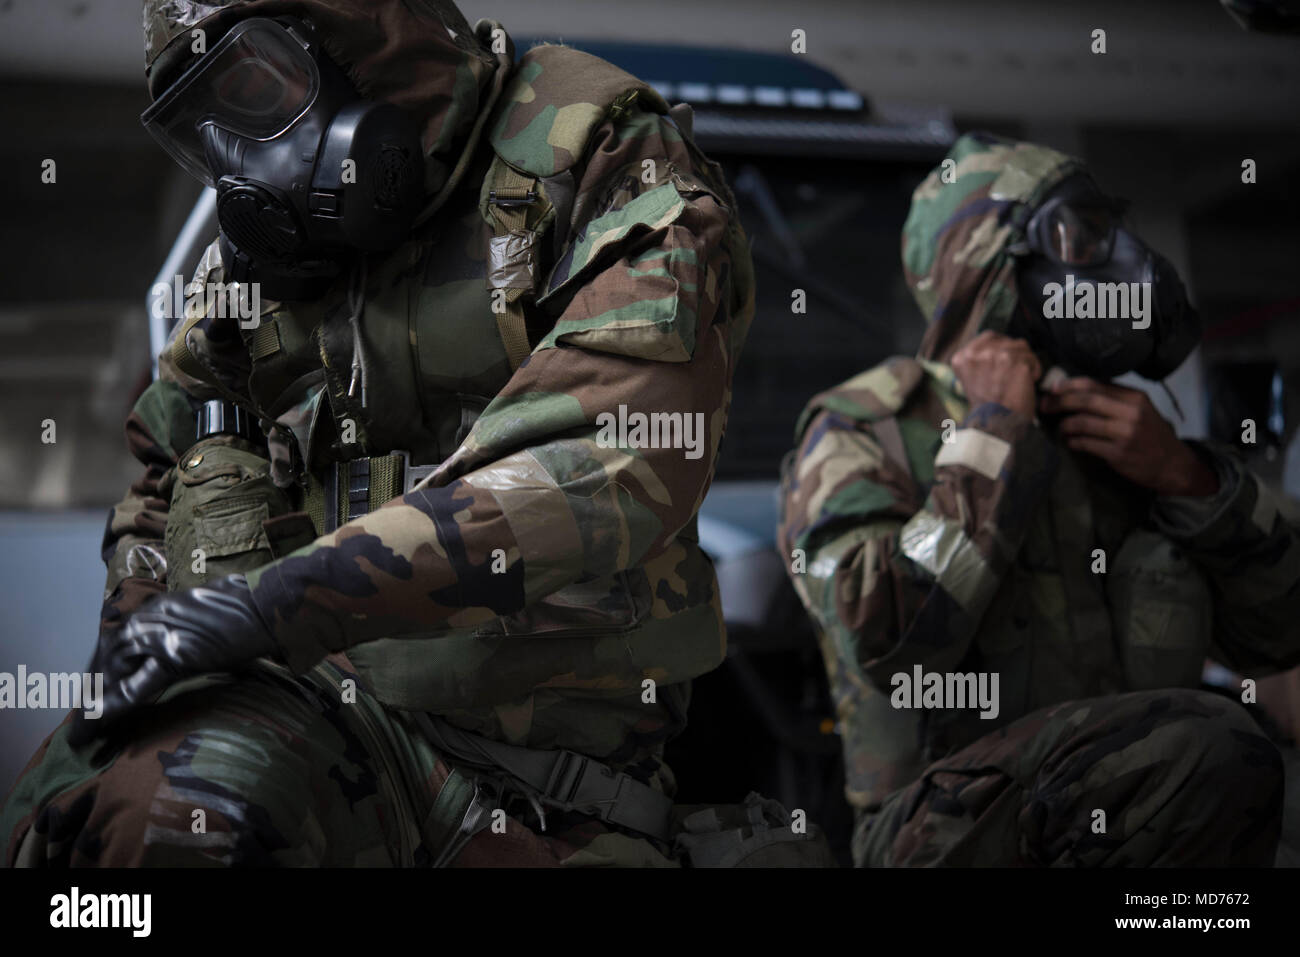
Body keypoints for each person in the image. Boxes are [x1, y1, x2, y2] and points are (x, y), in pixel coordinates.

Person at [1, 0, 755, 867]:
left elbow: (614, 455)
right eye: (206, 125)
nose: (244, 156)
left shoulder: (594, 152)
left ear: (364, 33)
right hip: (314, 718)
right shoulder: (261, 262)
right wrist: (147, 645)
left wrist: (277, 605)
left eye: (254, 90)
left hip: (544, 778)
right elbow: (162, 470)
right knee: (150, 824)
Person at [778, 132, 1300, 866]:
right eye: (1074, 236)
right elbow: (886, 639)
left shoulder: (1118, 428)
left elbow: (1282, 633)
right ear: (985, 263)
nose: (1109, 261)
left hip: (1132, 812)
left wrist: (1190, 479)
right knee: (1216, 747)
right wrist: (993, 435)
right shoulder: (864, 426)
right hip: (938, 827)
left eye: (1102, 233)